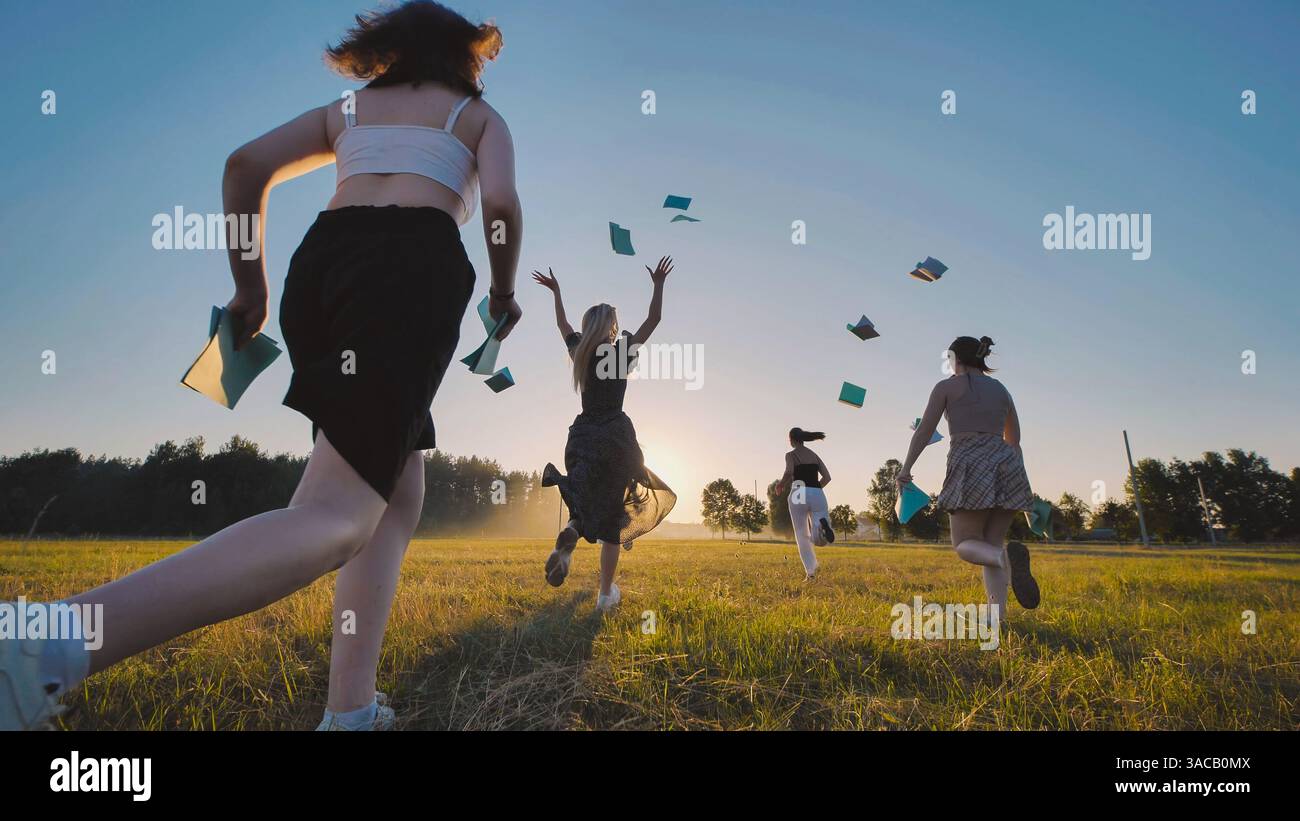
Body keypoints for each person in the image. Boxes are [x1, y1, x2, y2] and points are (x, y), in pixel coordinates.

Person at [0, 0, 523, 731]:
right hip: (406, 274)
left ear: (389, 51)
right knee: (337, 515)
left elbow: (245, 166)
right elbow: (498, 202)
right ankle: (41, 648)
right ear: (463, 58)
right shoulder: (474, 118)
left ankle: (351, 713)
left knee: (396, 490)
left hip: (320, 272)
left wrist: (251, 286)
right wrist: (502, 292)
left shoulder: (350, 110)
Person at [532, 259, 678, 613]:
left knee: (585, 498)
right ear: (612, 327)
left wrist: (556, 292)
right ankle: (604, 595)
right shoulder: (620, 352)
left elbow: (562, 324)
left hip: (582, 434)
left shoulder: (580, 352)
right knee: (613, 517)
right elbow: (653, 320)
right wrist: (658, 284)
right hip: (615, 434)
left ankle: (572, 531)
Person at [900, 336, 1040, 627]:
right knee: (990, 544)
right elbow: (1014, 440)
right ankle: (997, 619)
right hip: (1007, 463)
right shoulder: (1002, 390)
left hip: (969, 461)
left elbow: (925, 429)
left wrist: (906, 468)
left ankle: (1007, 560)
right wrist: (1020, 484)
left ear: (954, 357)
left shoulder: (946, 387)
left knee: (965, 544)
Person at [777, 428, 834, 579]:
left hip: (799, 491)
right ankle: (821, 526)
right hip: (817, 492)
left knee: (802, 534)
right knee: (819, 538)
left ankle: (811, 573)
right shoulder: (814, 455)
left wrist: (781, 484)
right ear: (802, 438)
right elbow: (827, 477)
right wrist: (814, 490)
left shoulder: (791, 455)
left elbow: (789, 471)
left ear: (791, 440)